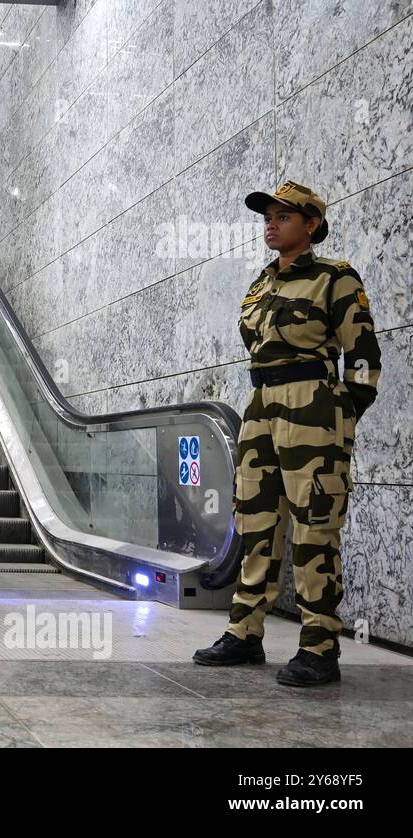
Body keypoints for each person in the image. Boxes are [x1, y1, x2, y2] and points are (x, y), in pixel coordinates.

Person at [193, 181, 381, 686]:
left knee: (316, 527)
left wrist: (338, 413)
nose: (270, 225)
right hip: (261, 405)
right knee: (255, 521)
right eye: (267, 217)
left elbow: (362, 358)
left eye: (283, 217)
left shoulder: (335, 279)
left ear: (312, 225)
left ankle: (320, 645)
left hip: (312, 405)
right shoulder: (261, 285)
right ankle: (245, 632)